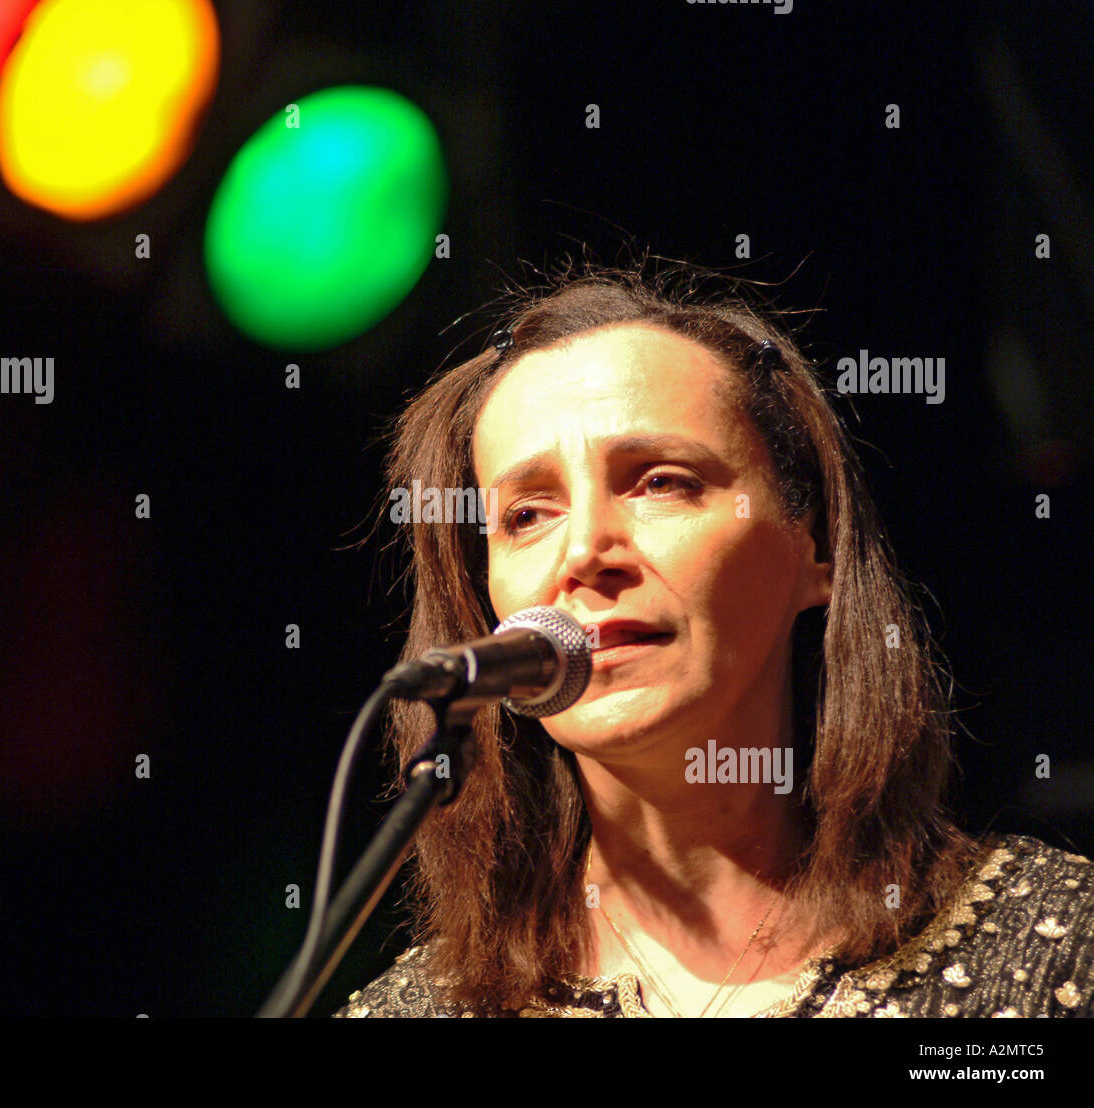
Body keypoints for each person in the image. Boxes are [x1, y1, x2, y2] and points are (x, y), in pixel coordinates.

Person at [333, 259, 1093, 1018]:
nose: (585, 551)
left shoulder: (1052, 954)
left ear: (813, 546)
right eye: (527, 515)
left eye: (661, 481)